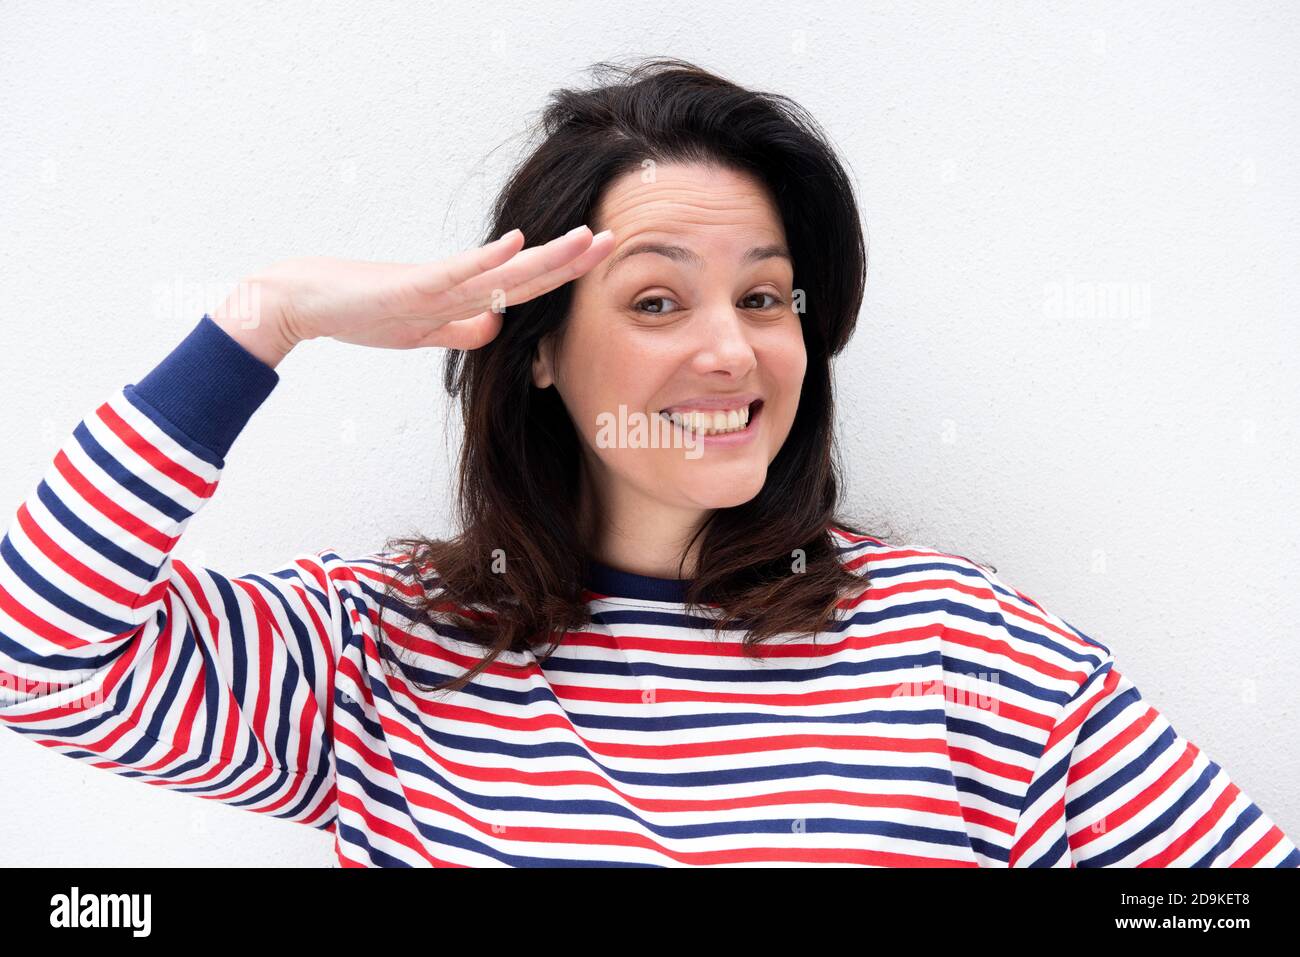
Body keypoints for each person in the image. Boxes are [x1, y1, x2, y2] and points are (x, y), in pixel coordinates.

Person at [1, 57, 1294, 868]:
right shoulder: (380, 650)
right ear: (543, 349)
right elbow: (39, 657)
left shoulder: (972, 652)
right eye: (659, 302)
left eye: (770, 298)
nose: (732, 353)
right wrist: (263, 318)